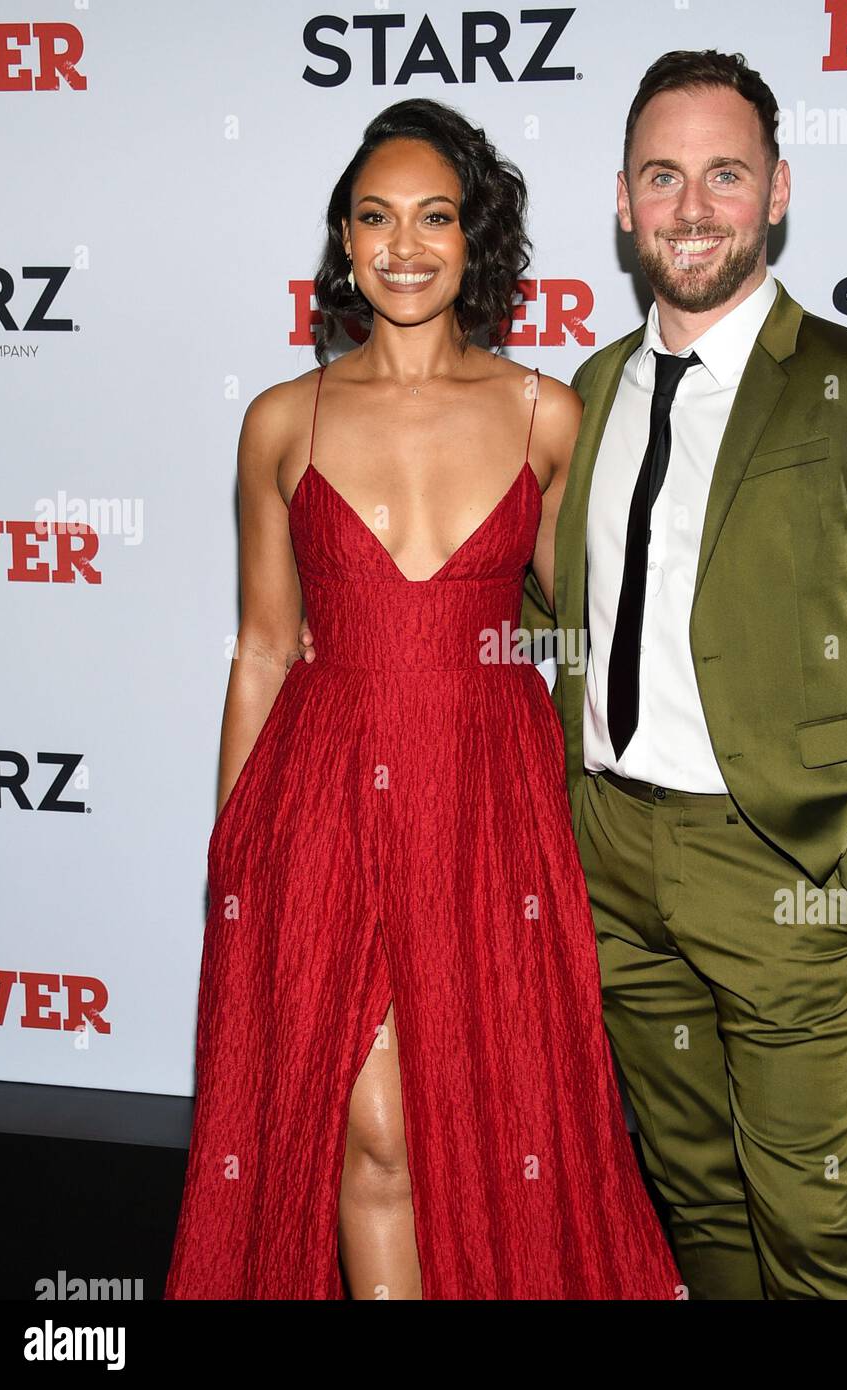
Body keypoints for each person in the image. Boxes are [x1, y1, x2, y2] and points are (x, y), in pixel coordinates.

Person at [297, 49, 847, 1300]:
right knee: (697, 1202)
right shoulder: (587, 394)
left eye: (724, 175)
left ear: (777, 192)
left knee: (810, 1233)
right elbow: (526, 618)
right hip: (606, 870)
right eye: (663, 177)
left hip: (785, 873)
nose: (693, 206)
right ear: (622, 203)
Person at [164, 97, 682, 1300]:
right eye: (376, 217)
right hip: (321, 798)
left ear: (473, 237)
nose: (405, 244)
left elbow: (601, 630)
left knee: (488, 1129)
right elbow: (261, 647)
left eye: (435, 216)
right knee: (372, 1129)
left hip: (483, 809)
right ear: (344, 243)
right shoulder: (282, 420)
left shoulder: (545, 412)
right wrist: (235, 847)